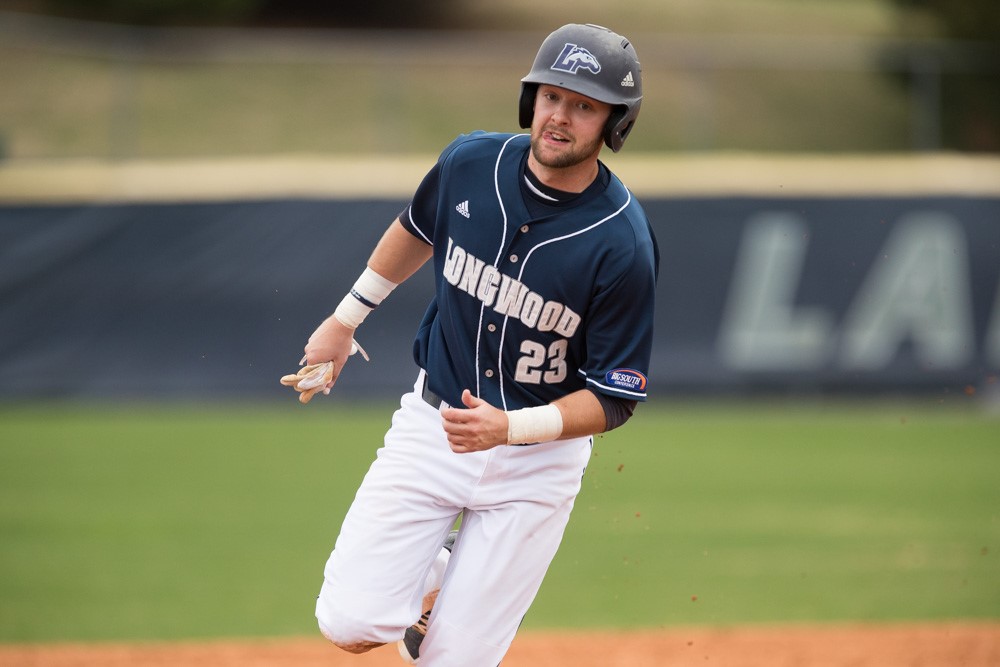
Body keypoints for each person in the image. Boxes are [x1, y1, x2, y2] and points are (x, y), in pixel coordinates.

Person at [300, 23, 658, 666]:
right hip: (432, 424)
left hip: (538, 464)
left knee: (454, 662)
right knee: (347, 620)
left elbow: (614, 397)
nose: (560, 116)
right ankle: (439, 580)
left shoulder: (622, 242)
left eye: (584, 105)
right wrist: (345, 318)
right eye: (552, 96)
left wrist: (511, 429)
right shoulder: (471, 162)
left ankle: (456, 607)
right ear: (532, 100)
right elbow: (416, 225)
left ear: (613, 124)